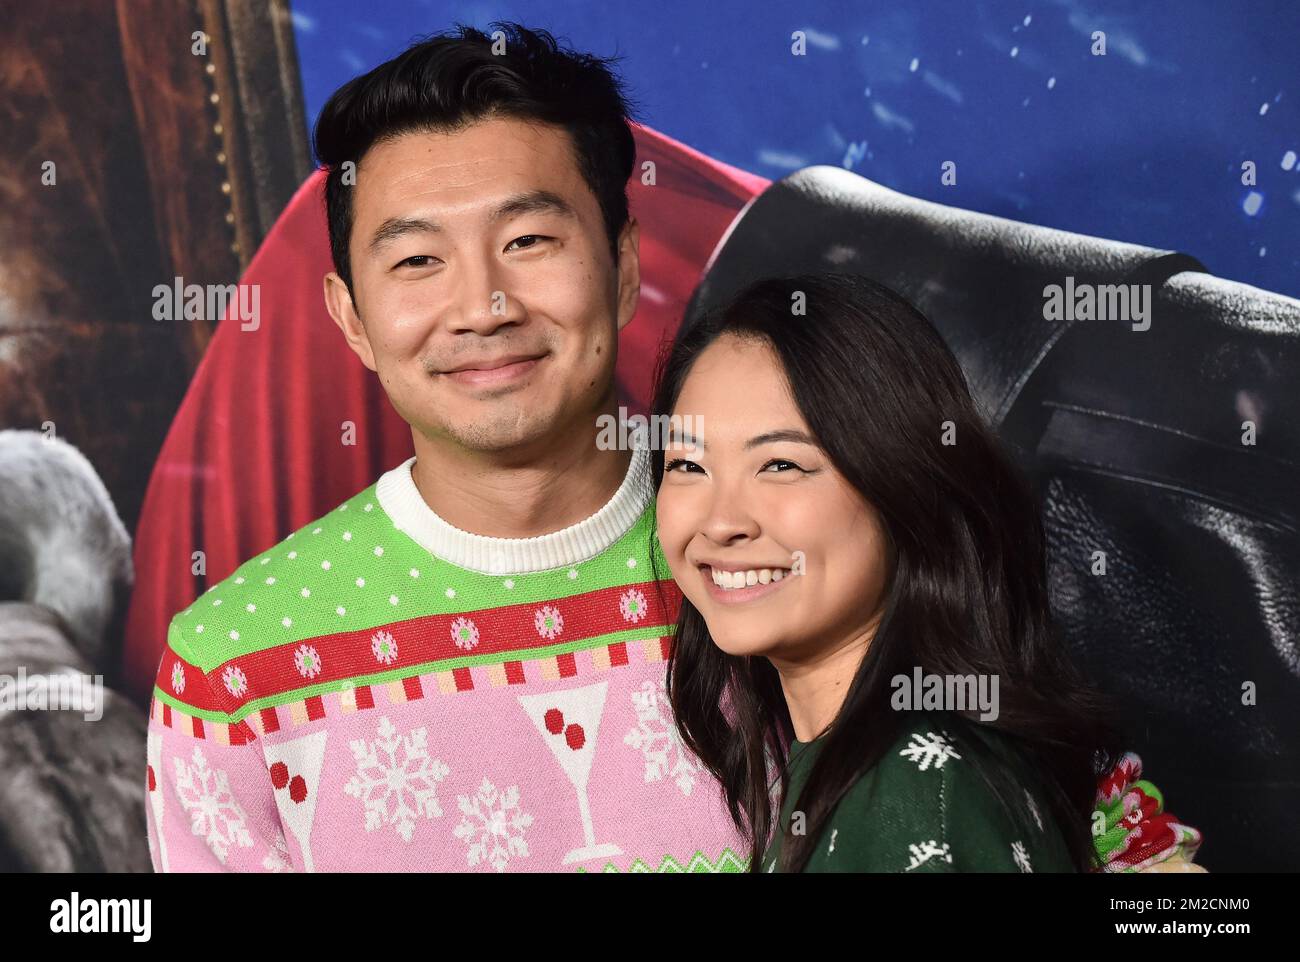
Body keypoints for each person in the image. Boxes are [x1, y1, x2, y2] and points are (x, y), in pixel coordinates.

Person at [143, 23, 1197, 873]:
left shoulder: (790, 547)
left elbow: (1106, 827)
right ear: (350, 315)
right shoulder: (236, 669)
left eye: (528, 240)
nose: (482, 304)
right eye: (417, 259)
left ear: (619, 264)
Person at [651, 271, 1204, 873]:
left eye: (781, 463)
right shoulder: (902, 758)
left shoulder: (911, 796)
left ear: (903, 490)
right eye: (687, 464)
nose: (722, 520)